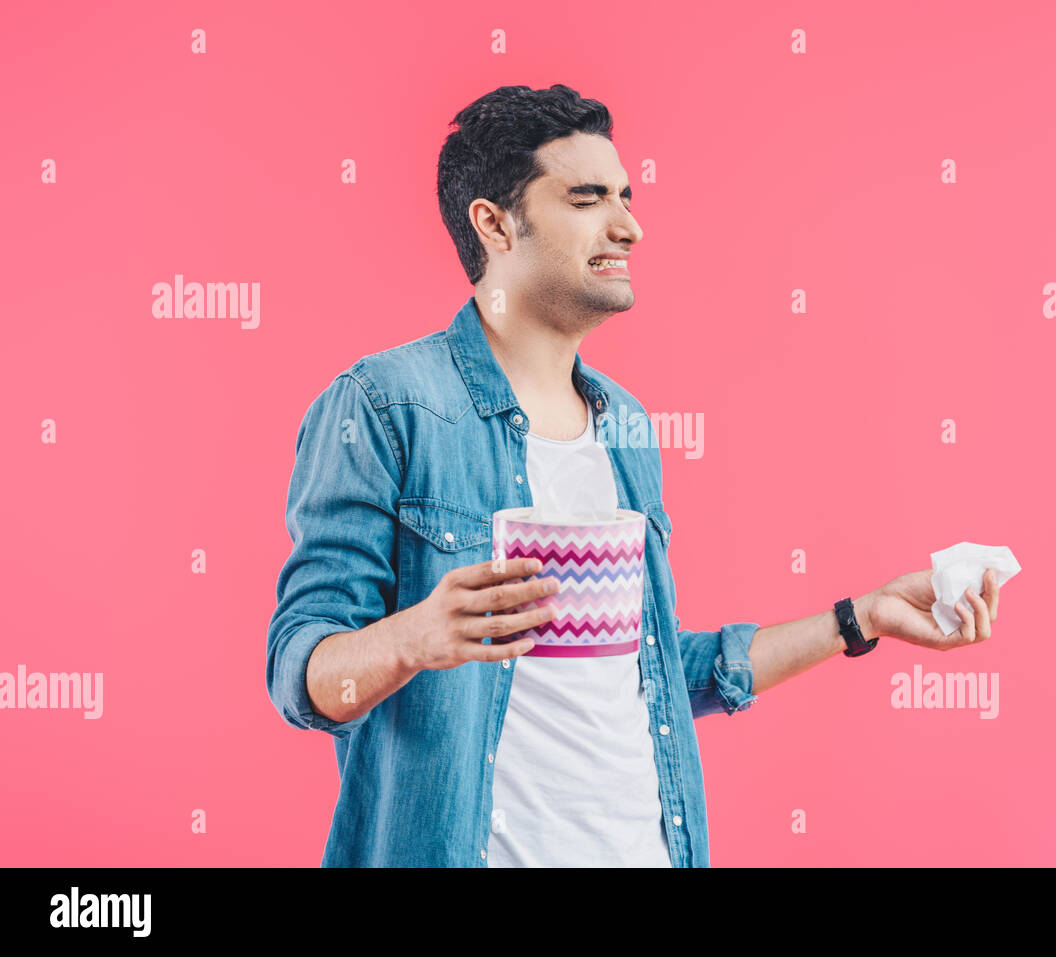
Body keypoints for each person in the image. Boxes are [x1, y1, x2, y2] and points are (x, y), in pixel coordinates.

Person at [265, 84, 1002, 868]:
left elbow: (646, 669)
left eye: (626, 196)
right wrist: (415, 637)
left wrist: (865, 616)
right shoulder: (386, 407)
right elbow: (299, 676)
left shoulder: (627, 427)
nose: (630, 226)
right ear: (494, 223)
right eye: (588, 200)